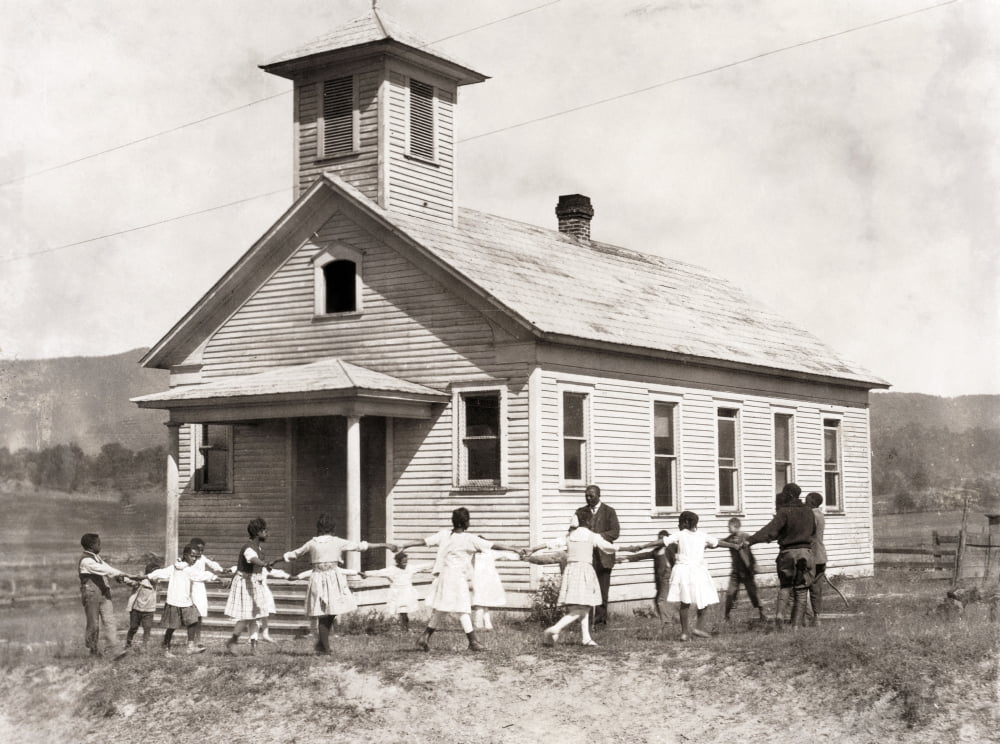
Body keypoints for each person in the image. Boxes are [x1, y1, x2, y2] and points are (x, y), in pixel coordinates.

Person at [394, 507, 520, 652]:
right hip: (456, 578)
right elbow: (493, 545)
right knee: (462, 609)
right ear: (464, 522)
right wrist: (515, 549)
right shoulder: (469, 539)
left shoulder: (444, 534)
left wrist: (405, 545)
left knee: (442, 609)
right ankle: (473, 642)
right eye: (468, 520)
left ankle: (425, 637)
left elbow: (423, 541)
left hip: (444, 577)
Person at [282, 514, 393, 655]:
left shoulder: (314, 542)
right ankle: (325, 648)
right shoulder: (328, 541)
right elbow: (360, 546)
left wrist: (280, 559)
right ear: (332, 528)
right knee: (326, 613)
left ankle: (321, 644)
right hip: (328, 578)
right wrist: (385, 545)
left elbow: (294, 554)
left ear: (319, 528)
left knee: (329, 612)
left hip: (324, 578)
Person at [524, 509, 619, 648]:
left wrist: (533, 549)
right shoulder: (591, 535)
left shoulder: (569, 536)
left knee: (582, 606)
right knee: (584, 606)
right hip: (584, 571)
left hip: (571, 571)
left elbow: (551, 543)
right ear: (588, 521)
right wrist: (628, 548)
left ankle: (586, 638)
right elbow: (607, 547)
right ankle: (555, 628)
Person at [741, 483, 816, 629]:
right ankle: (795, 627)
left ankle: (779, 618)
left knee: (786, 586)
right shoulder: (809, 511)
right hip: (805, 553)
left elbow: (770, 531)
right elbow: (812, 531)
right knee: (801, 590)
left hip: (788, 553)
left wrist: (750, 541)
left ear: (788, 494)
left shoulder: (784, 511)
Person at [659, 511, 736, 641]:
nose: (678, 525)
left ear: (686, 523)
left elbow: (662, 541)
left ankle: (685, 632)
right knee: (703, 599)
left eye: (680, 522)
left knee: (685, 601)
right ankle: (698, 628)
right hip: (698, 571)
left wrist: (640, 546)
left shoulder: (681, 534)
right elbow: (719, 543)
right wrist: (735, 545)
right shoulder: (702, 535)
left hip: (684, 570)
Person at [147, 544, 221, 656]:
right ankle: (166, 647)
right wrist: (146, 577)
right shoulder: (175, 568)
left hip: (186, 601)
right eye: (192, 556)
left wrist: (217, 578)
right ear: (185, 555)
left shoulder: (188, 569)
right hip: (174, 602)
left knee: (193, 620)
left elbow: (200, 575)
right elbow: (160, 573)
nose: (194, 559)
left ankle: (190, 647)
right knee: (172, 627)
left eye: (196, 557)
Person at [224, 517, 273, 654]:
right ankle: (232, 641)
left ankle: (254, 647)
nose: (267, 533)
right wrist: (263, 564)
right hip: (245, 584)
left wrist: (264, 566)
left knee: (256, 616)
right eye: (265, 530)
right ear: (258, 533)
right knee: (246, 616)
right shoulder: (248, 547)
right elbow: (252, 559)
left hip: (255, 583)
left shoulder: (258, 547)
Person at [77, 532, 128, 660]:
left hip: (104, 593)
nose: (100, 546)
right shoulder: (86, 561)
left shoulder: (97, 558)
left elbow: (109, 569)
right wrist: (125, 574)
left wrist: (128, 579)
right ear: (91, 545)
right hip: (91, 594)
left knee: (109, 620)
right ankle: (93, 650)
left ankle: (115, 649)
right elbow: (106, 571)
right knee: (93, 623)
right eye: (98, 544)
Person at [574, 485, 619, 628]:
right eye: (586, 495)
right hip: (585, 557)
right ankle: (585, 623)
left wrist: (596, 538)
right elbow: (573, 531)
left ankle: (600, 623)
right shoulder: (581, 512)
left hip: (604, 558)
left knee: (602, 591)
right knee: (585, 591)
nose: (588, 498)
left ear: (598, 495)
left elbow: (615, 532)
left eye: (591, 496)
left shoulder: (609, 512)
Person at [617, 529, 676, 627]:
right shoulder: (656, 551)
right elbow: (642, 555)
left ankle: (667, 622)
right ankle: (669, 619)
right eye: (659, 538)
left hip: (667, 577)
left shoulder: (671, 547)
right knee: (657, 599)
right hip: (659, 579)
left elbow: (685, 547)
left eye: (662, 538)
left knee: (661, 600)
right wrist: (626, 558)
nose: (659, 540)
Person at [361, 552, 432, 632]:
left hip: (407, 592)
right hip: (397, 593)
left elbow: (423, 567)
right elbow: (379, 572)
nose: (405, 564)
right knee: (402, 612)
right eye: (403, 562)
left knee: (405, 612)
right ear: (398, 561)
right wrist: (366, 573)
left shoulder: (410, 568)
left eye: (406, 561)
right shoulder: (391, 570)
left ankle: (405, 628)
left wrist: (437, 563)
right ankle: (404, 628)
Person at [723, 517, 767, 623]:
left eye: (730, 527)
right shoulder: (729, 539)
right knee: (730, 593)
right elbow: (719, 543)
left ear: (736, 526)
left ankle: (762, 613)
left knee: (753, 593)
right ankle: (726, 616)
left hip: (747, 571)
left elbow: (754, 541)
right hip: (736, 572)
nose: (728, 529)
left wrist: (755, 566)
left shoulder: (745, 536)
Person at [188, 538, 230, 646]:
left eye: (202, 550)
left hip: (200, 588)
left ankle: (197, 638)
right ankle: (191, 640)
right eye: (198, 550)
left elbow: (210, 563)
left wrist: (221, 569)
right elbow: (200, 574)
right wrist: (218, 578)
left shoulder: (201, 558)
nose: (200, 553)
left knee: (200, 613)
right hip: (190, 587)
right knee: (192, 614)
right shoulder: (188, 560)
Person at [471, 547, 516, 631]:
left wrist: (518, 555)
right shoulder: (471, 554)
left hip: (487, 581)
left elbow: (503, 554)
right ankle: (482, 625)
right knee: (480, 603)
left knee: (483, 603)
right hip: (477, 580)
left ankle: (482, 625)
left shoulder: (489, 552)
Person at [123, 558, 162, 651]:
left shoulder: (157, 583)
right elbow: (131, 581)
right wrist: (123, 578)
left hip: (149, 611)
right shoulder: (141, 582)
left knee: (147, 628)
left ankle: (144, 646)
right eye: (154, 575)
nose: (157, 577)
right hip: (136, 610)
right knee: (133, 627)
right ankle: (128, 643)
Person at [805, 492, 827, 626]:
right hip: (821, 555)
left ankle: (807, 618)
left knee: (802, 587)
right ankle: (817, 618)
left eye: (806, 500)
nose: (804, 502)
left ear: (812, 502)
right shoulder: (821, 514)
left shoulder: (810, 515)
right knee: (816, 589)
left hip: (811, 555)